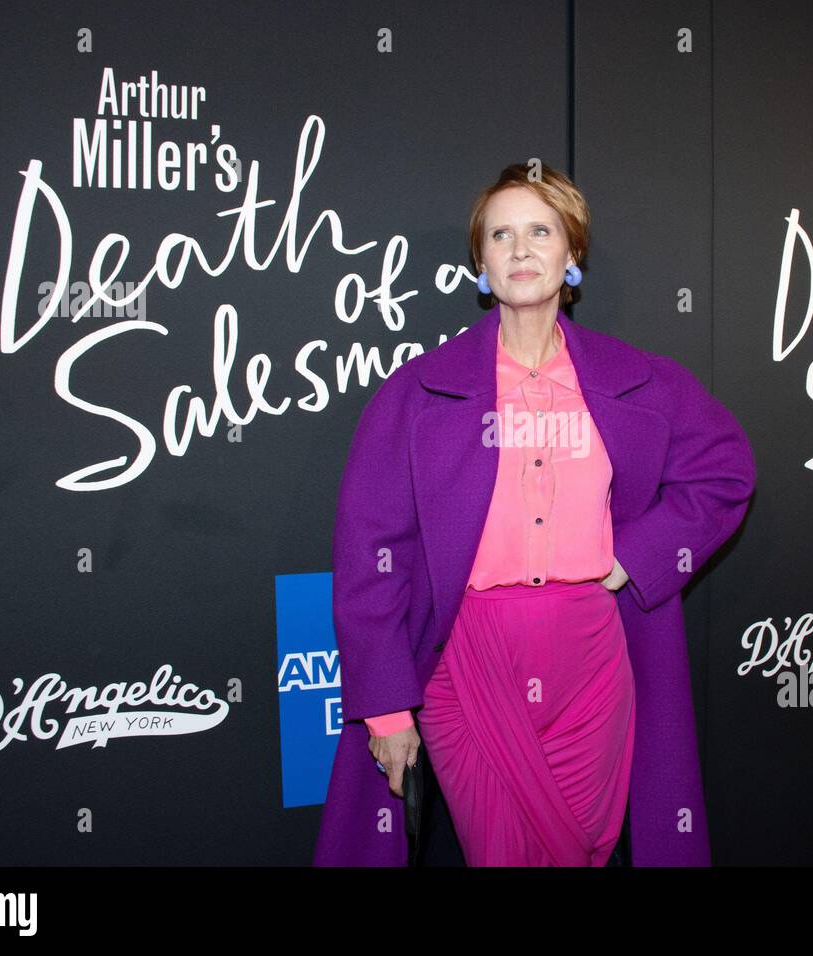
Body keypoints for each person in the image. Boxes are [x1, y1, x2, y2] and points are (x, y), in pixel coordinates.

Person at [314, 163, 756, 867]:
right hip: (467, 665)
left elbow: (727, 470)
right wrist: (388, 708)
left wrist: (632, 559)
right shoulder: (418, 394)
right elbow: (370, 554)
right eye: (501, 234)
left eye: (540, 231)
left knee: (583, 850)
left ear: (571, 255)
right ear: (482, 264)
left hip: (593, 665)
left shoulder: (636, 379)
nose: (521, 249)